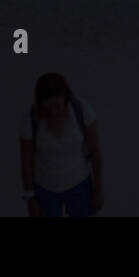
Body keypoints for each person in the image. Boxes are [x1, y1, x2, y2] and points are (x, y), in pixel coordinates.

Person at [18, 73, 103, 217]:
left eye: (58, 106)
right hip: (45, 189)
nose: (53, 112)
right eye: (47, 107)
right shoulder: (30, 120)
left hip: (79, 184)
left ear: (66, 99)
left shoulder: (82, 110)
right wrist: (30, 197)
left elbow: (95, 151)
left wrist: (98, 188)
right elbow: (26, 162)